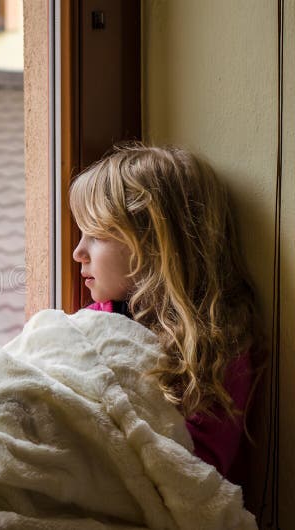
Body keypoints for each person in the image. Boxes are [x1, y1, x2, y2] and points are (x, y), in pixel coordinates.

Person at [68, 143, 260, 480]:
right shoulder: (98, 318)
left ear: (155, 244)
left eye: (96, 235)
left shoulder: (214, 343)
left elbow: (202, 469)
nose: (77, 252)